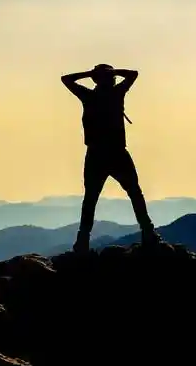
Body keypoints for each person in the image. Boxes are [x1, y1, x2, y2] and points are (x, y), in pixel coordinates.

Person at [61, 63, 162, 253]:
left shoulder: (88, 96)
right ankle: (148, 231)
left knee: (91, 198)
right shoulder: (116, 93)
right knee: (134, 192)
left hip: (96, 154)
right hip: (116, 153)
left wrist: (92, 74)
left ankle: (82, 240)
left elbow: (66, 79)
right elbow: (133, 74)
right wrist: (108, 73)